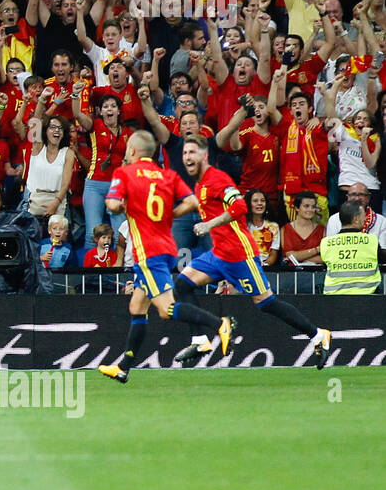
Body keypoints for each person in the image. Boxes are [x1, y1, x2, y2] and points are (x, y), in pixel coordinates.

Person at [172, 135, 330, 367]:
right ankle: (201, 340)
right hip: (219, 254)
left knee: (266, 303)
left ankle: (318, 335)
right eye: (185, 153)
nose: (187, 157)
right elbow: (197, 203)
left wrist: (209, 224)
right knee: (183, 284)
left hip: (239, 254)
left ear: (204, 156)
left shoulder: (217, 179)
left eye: (192, 152)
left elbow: (240, 205)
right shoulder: (200, 183)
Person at [98, 131, 233, 384]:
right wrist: (169, 215)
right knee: (137, 307)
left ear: (133, 151)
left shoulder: (125, 173)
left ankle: (220, 325)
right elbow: (192, 201)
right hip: (167, 248)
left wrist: (124, 203)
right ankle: (124, 367)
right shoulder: (167, 175)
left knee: (166, 309)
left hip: (148, 254)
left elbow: (113, 205)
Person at [319, 201, 382, 316]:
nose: (365, 219)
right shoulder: (371, 240)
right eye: (363, 215)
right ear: (356, 219)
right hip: (368, 301)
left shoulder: (326, 243)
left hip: (333, 302)